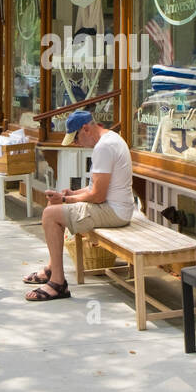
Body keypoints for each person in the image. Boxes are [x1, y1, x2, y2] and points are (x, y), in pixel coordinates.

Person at [25, 110, 135, 301]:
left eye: (75, 139)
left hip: (114, 211)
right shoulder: (110, 140)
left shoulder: (104, 148)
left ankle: (58, 284)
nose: (76, 143)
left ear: (86, 129)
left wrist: (66, 200)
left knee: (50, 215)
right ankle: (53, 269)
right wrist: (71, 194)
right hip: (117, 208)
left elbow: (98, 196)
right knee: (53, 208)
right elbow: (97, 187)